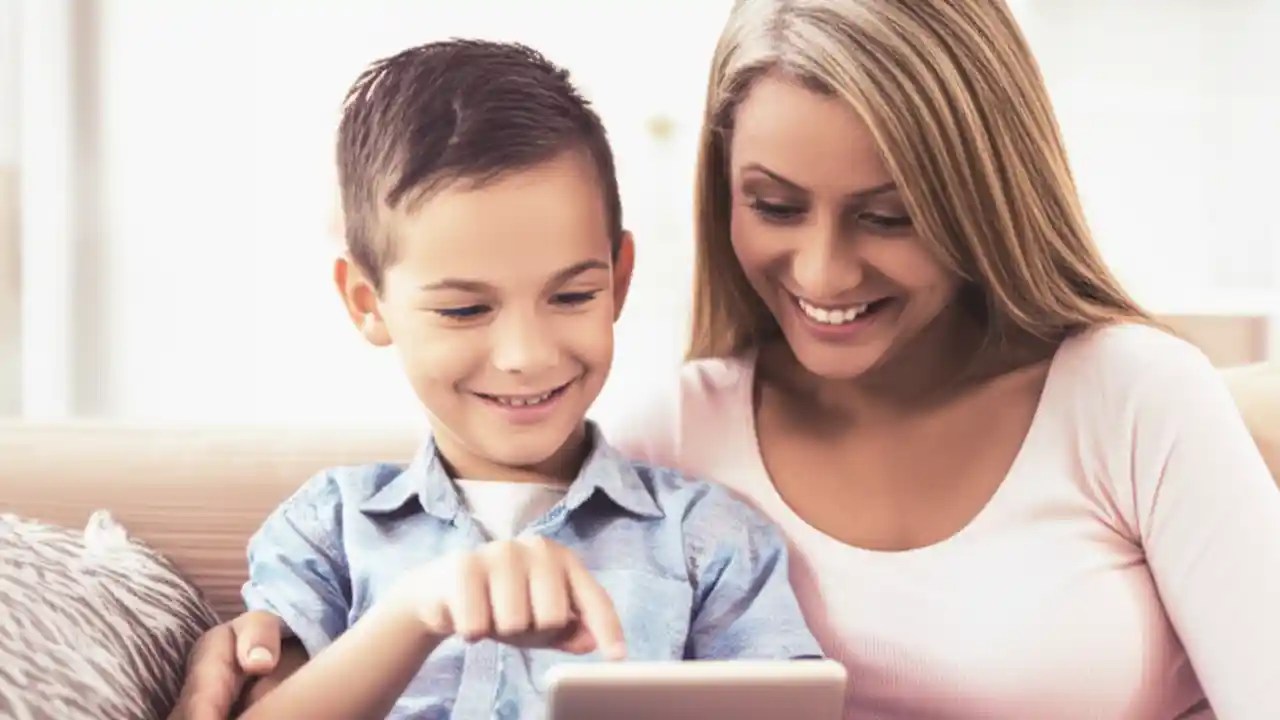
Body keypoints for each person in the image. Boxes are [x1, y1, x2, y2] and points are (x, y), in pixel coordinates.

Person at [171, 1, 1280, 719]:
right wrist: (254, 638)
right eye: (773, 206)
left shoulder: (1131, 398)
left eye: (886, 216)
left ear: (978, 198)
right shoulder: (672, 437)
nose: (825, 270)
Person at [209, 38, 820, 720]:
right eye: (465, 309)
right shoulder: (329, 529)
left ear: (618, 280)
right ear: (366, 302)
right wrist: (415, 614)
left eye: (571, 297)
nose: (525, 355)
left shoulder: (707, 542)